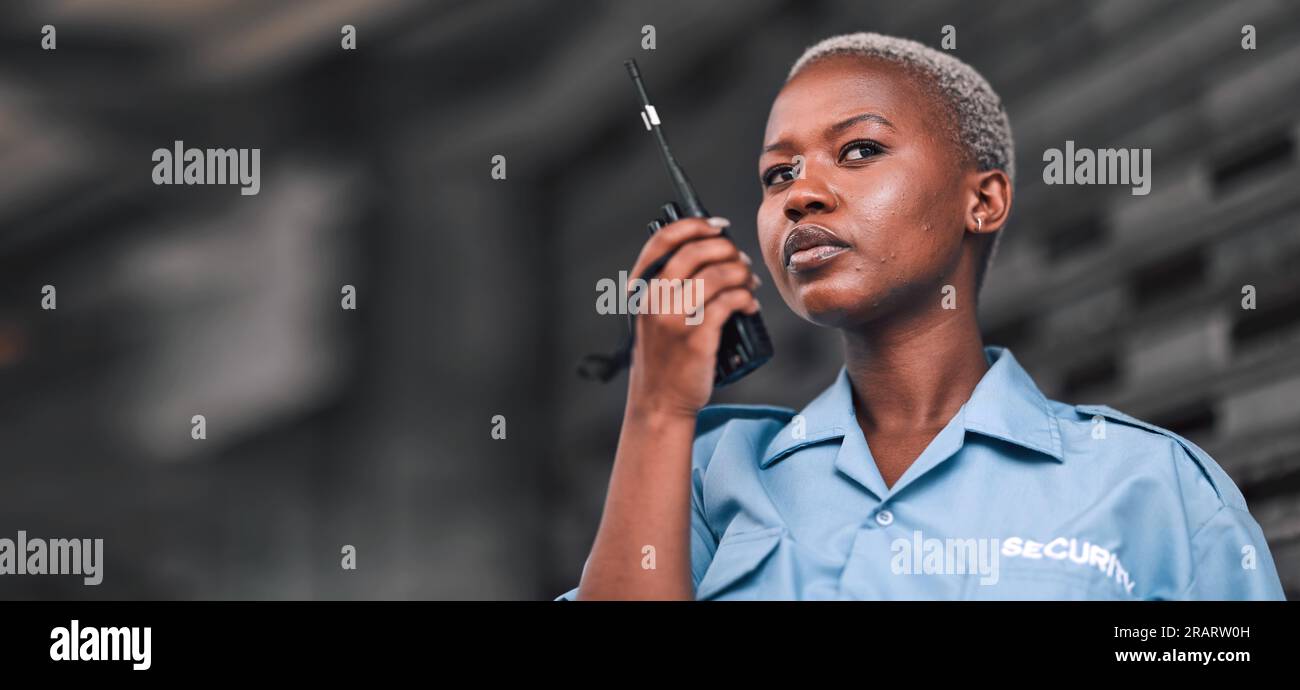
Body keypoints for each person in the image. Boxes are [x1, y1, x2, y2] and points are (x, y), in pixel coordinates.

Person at [555, 32, 1285, 600]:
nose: (800, 195)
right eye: (779, 174)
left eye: (860, 150)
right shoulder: (704, 479)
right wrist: (655, 407)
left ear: (984, 200)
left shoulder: (1154, 486)